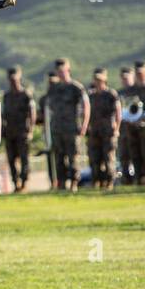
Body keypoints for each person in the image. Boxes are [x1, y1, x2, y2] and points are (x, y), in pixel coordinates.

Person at [47, 58, 89, 190]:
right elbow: (48, 108)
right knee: (59, 158)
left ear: (68, 70)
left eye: (62, 71)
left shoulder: (76, 87)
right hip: (57, 129)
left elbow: (86, 106)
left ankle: (74, 183)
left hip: (71, 129)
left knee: (73, 158)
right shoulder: (53, 88)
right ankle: (61, 184)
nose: (60, 74)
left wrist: (84, 125)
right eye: (58, 71)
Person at [1, 66, 36, 192]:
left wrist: (30, 130)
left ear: (19, 77)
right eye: (11, 79)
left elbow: (32, 113)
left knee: (24, 159)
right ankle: (16, 183)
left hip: (22, 133)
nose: (13, 81)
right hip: (9, 133)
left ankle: (24, 182)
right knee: (11, 160)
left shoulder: (26, 95)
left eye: (14, 79)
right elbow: (3, 114)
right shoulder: (6, 96)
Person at [86, 67, 121, 188]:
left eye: (100, 79)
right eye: (96, 79)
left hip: (108, 131)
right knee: (95, 158)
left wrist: (116, 129)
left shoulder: (111, 94)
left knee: (109, 157)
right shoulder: (91, 95)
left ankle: (110, 181)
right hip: (95, 131)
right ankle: (96, 181)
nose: (97, 82)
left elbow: (118, 113)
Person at [128, 60, 145, 185]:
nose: (139, 75)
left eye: (141, 72)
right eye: (137, 73)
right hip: (132, 127)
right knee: (135, 152)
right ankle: (138, 177)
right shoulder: (131, 90)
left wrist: (143, 116)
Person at [116, 66, 139, 184]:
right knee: (124, 155)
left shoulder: (138, 90)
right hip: (124, 129)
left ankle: (140, 178)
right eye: (123, 78)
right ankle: (126, 179)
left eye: (127, 77)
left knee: (138, 154)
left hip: (137, 129)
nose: (125, 80)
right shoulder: (119, 93)